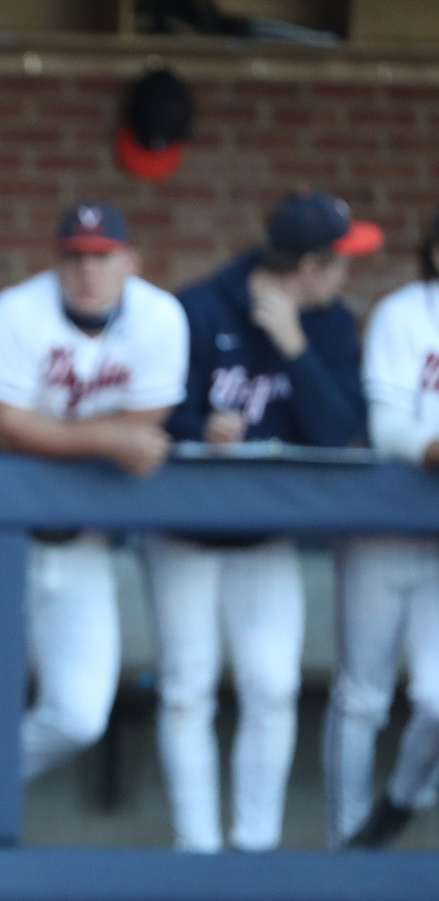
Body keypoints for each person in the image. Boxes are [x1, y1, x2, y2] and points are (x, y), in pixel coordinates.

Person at [148, 188, 373, 852]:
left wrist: (295, 347)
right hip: (184, 531)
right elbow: (158, 412)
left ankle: (254, 851)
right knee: (188, 689)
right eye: (338, 261)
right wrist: (199, 427)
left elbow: (338, 433)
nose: (344, 274)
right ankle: (198, 851)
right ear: (306, 264)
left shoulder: (327, 324)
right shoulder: (198, 307)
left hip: (266, 536)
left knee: (271, 686)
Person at [0, 201, 187, 795]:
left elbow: (145, 427)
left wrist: (53, 436)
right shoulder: (20, 309)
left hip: (84, 544)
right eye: (75, 257)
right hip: (2, 535)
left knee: (78, 716)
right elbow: (4, 424)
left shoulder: (159, 315)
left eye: (102, 257)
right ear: (55, 261)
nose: (87, 270)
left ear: (130, 261)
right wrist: (102, 438)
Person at [327, 211, 439, 849]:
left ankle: (399, 802)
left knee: (436, 699)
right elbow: (391, 428)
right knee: (362, 697)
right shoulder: (406, 314)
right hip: (384, 526)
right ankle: (346, 848)